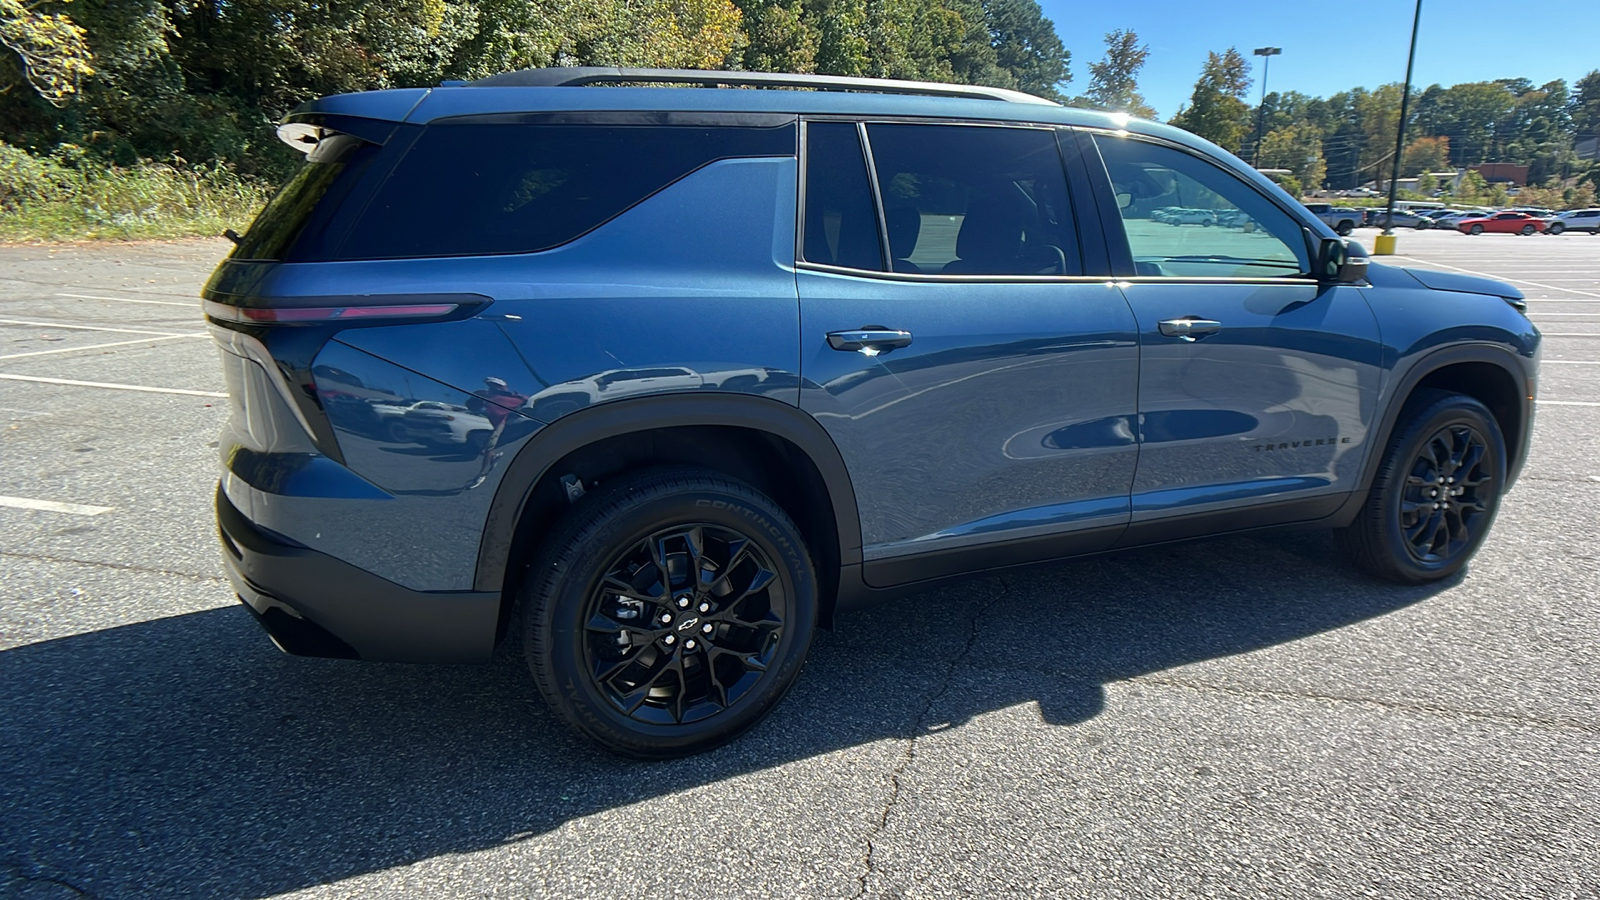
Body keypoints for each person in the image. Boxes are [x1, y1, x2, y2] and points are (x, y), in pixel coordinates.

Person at [469, 376, 528, 489]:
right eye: (491, 386)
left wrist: (519, 397)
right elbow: (473, 404)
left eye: (494, 386)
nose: (491, 388)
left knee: (488, 448)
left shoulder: (507, 398)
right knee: (486, 448)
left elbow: (526, 400)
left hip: (499, 423)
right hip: (486, 423)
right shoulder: (487, 396)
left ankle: (482, 474)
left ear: (501, 387)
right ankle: (494, 458)